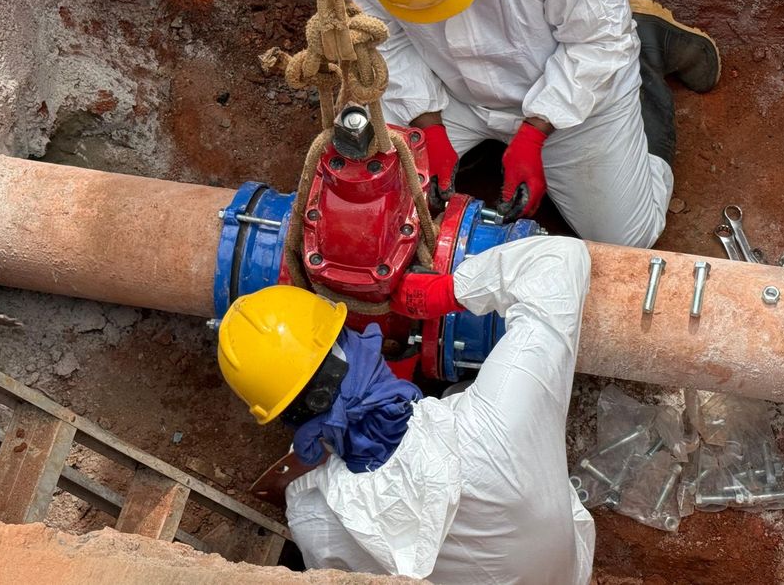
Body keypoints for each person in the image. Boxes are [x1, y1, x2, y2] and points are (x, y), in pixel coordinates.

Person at [216, 237, 595, 582]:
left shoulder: (312, 516)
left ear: (286, 415)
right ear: (354, 345)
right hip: (565, 572)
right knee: (461, 392)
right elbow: (560, 259)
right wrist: (448, 291)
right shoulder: (500, 417)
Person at [334, 0, 720, 248]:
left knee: (627, 238)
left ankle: (645, 48)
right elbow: (385, 41)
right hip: (448, 88)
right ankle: (478, 144)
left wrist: (534, 133)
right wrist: (428, 129)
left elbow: (598, 45)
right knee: (363, 204)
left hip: (569, 82)